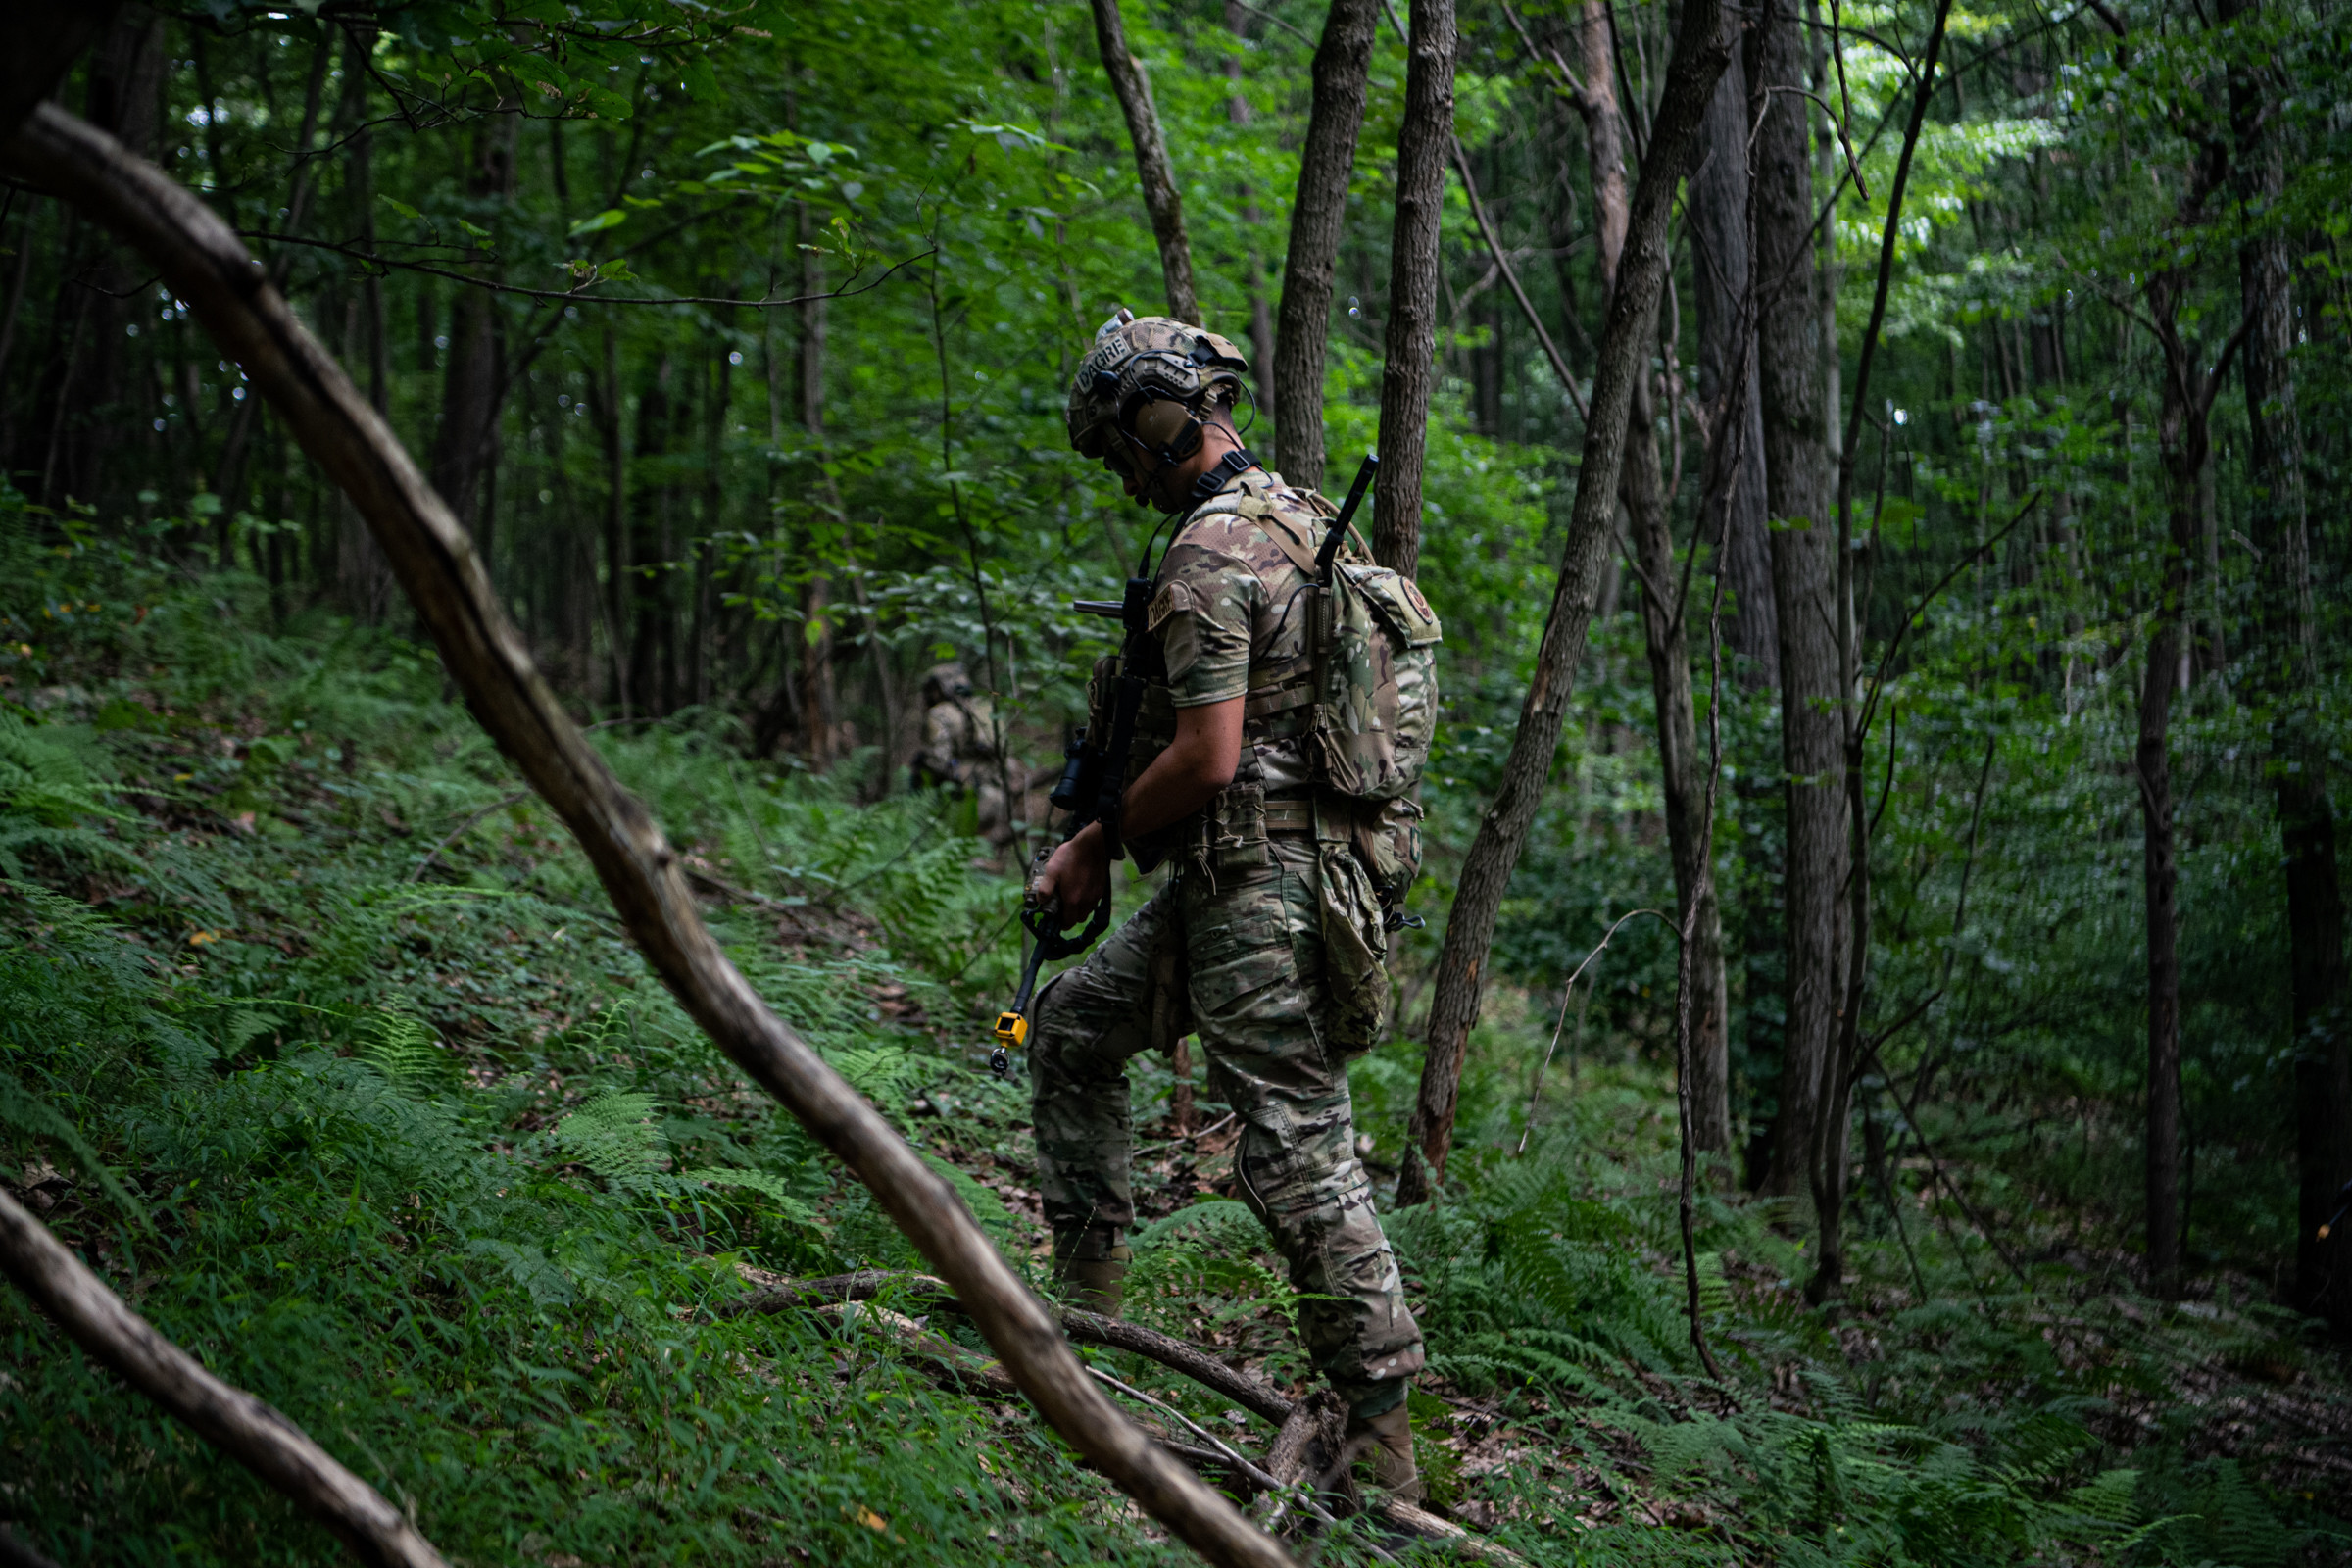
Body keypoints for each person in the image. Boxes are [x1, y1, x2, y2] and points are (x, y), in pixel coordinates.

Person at [1026, 309, 1426, 1501]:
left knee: (1296, 1145)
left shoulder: (1214, 554)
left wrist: (1095, 843)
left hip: (1262, 891)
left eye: (1115, 448)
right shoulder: (1300, 525)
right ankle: (1084, 1328)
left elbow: (1207, 755)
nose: (1118, 473)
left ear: (1157, 425)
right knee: (1071, 1029)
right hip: (1247, 880)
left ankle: (1381, 1447)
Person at [912, 662, 1017, 849]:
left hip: (962, 801)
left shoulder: (940, 714)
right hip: (997, 794)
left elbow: (937, 761)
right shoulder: (986, 708)